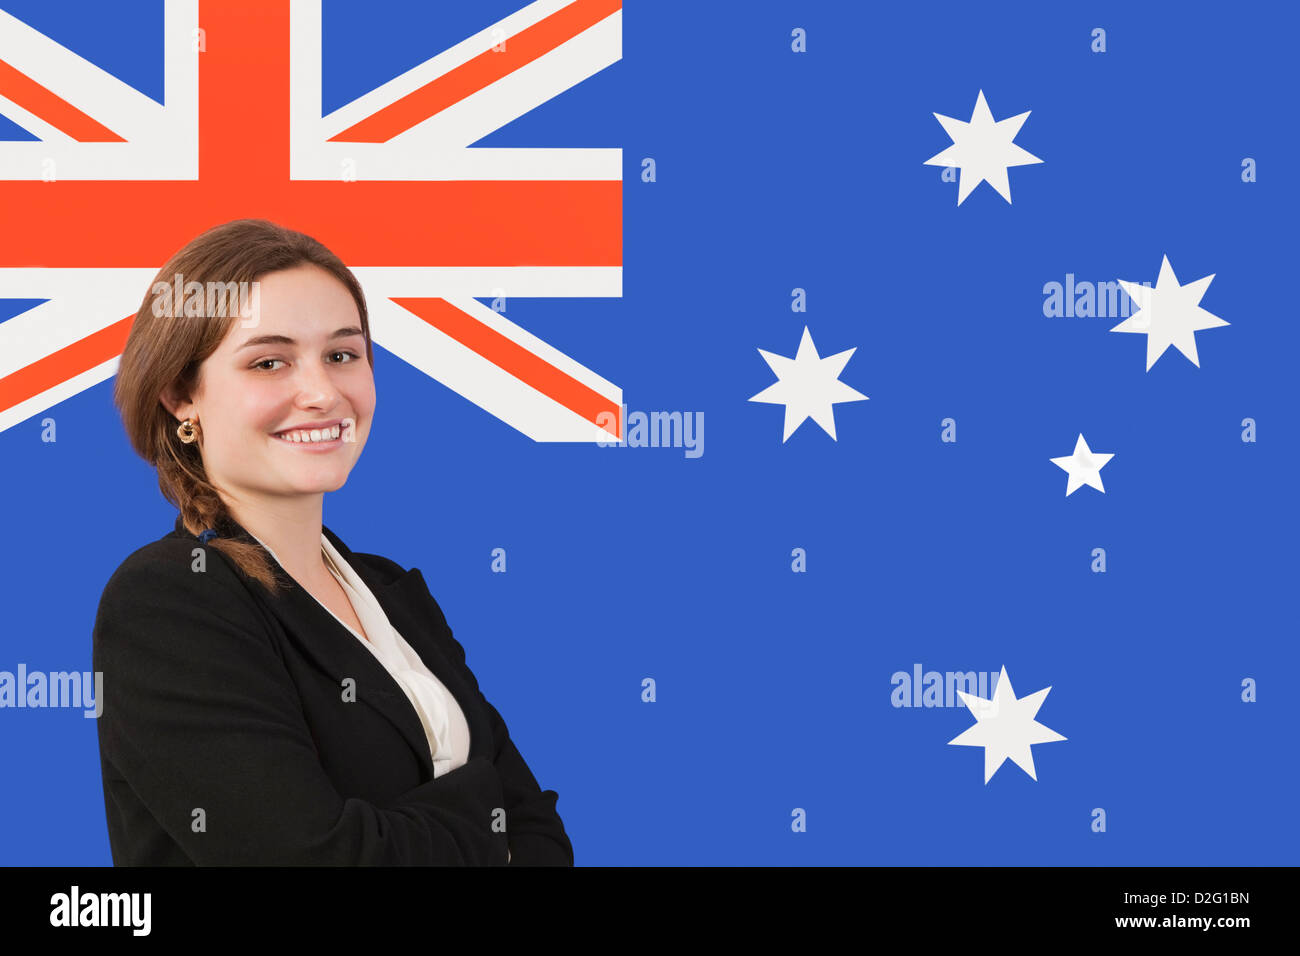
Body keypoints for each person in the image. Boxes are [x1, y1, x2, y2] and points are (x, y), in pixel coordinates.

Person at [92, 218, 573, 865]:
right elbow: (312, 859)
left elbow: (541, 835)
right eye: (270, 361)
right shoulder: (169, 602)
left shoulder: (388, 590)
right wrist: (483, 821)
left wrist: (413, 831)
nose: (322, 392)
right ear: (182, 396)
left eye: (342, 354)